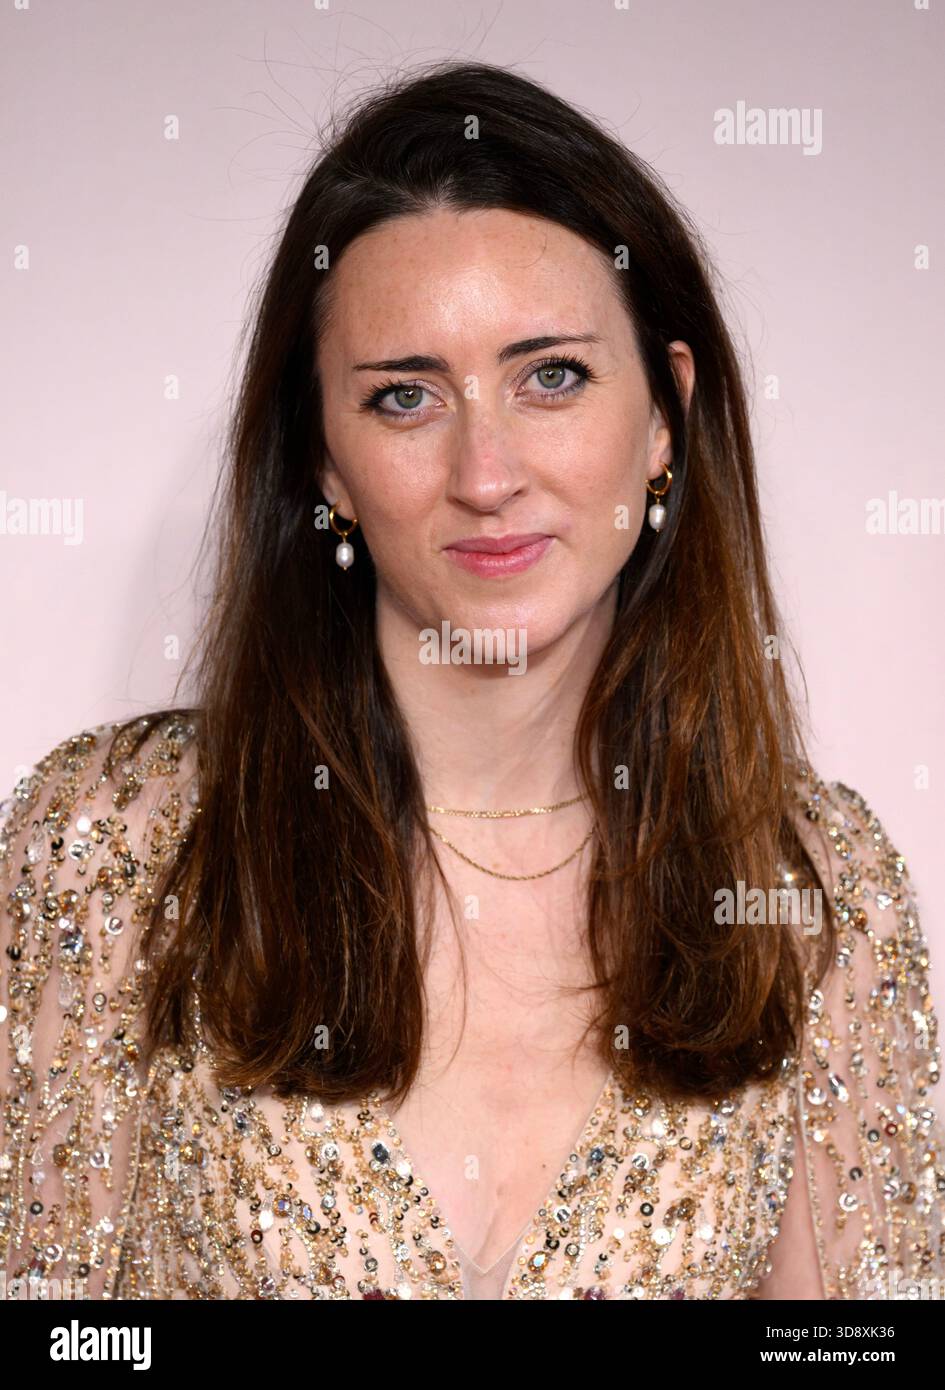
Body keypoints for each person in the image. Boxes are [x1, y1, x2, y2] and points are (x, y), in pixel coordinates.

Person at [1, 59, 943, 1302]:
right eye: (404, 397)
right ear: (325, 463)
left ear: (668, 415)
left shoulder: (814, 890)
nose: (486, 472)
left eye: (550, 375)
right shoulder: (115, 838)